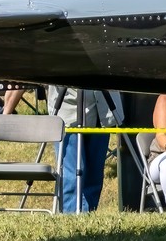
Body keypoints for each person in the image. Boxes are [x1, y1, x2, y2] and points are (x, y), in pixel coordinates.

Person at [50, 84, 122, 214]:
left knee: (94, 176)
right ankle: (71, 223)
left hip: (104, 109)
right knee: (71, 177)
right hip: (68, 112)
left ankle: (88, 218)